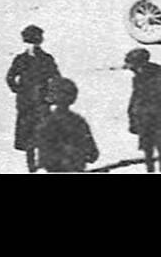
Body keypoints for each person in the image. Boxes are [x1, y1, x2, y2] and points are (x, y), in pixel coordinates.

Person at [6, 24, 60, 172]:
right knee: (28, 136)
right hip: (26, 103)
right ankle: (31, 166)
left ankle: (44, 163)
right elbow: (10, 77)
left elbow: (56, 78)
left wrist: (51, 96)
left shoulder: (47, 59)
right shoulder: (20, 59)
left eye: (35, 40)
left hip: (42, 102)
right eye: (30, 41)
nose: (33, 44)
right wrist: (19, 91)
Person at [125, 48, 161, 173]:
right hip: (144, 118)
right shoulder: (138, 77)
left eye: (131, 64)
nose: (129, 67)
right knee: (147, 150)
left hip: (158, 118)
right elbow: (135, 98)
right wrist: (132, 116)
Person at [37, 77, 99, 173]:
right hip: (75, 168)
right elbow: (92, 153)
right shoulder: (78, 121)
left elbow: (43, 156)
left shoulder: (47, 122)